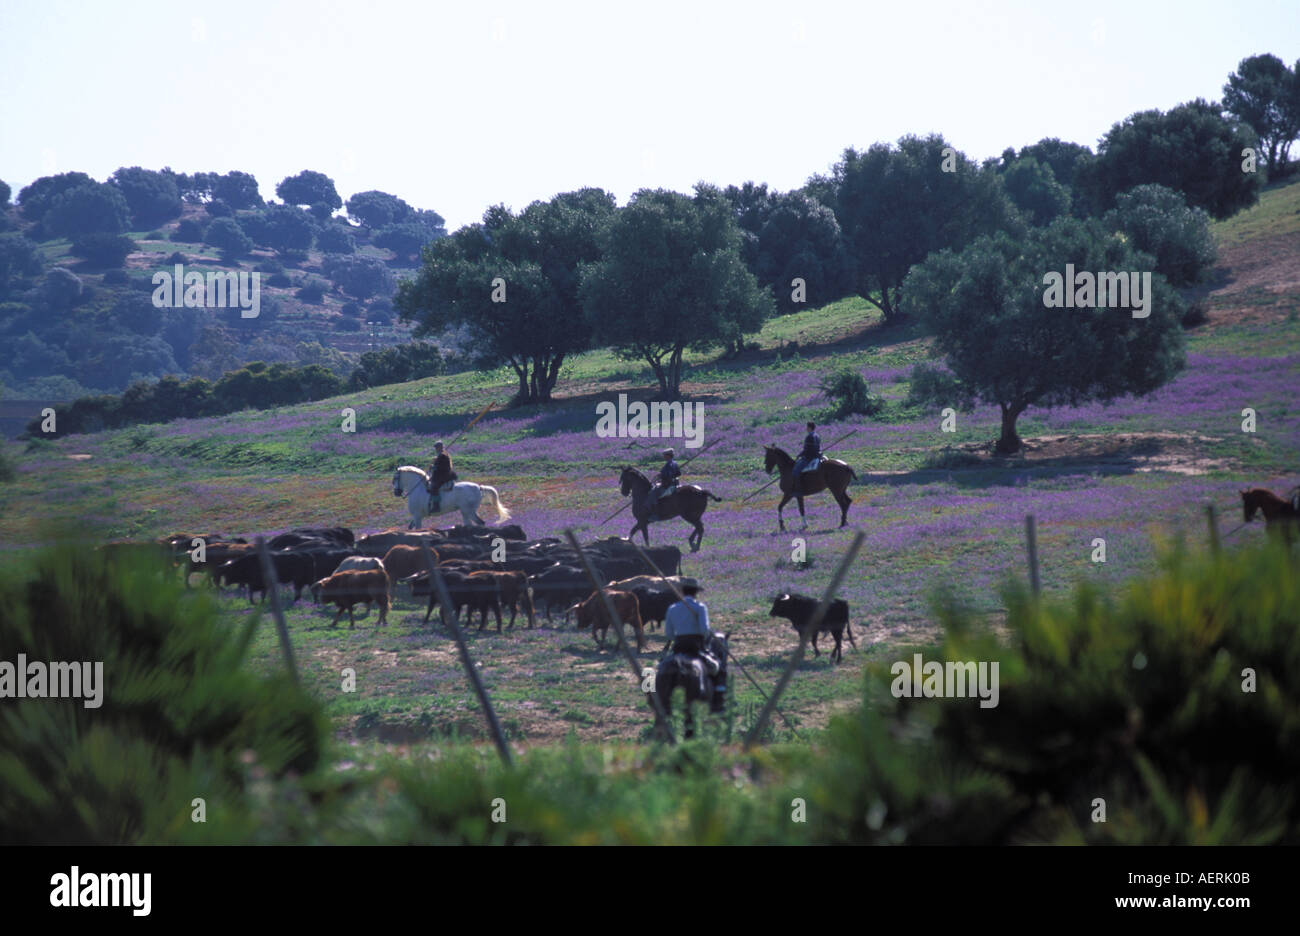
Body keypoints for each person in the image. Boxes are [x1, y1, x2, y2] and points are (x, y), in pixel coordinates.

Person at [661, 579, 726, 712]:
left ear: (682, 592)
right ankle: (718, 697)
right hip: (696, 646)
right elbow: (704, 630)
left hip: (678, 646)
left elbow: (669, 634)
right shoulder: (700, 607)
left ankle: (653, 695)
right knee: (716, 667)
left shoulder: (672, 608)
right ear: (696, 592)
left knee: (658, 667)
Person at [646, 448, 681, 522]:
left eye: (665, 455)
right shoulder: (674, 463)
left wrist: (661, 479)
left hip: (667, 485)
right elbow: (678, 473)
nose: (664, 457)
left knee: (652, 493)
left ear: (668, 456)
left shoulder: (669, 464)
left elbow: (668, 476)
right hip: (674, 483)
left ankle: (655, 514)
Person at [791, 421, 822, 496]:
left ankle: (799, 490)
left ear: (810, 428)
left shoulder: (809, 437)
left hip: (809, 457)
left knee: (795, 470)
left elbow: (807, 450)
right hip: (817, 456)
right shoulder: (817, 436)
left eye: (807, 427)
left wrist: (800, 455)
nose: (806, 428)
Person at [426, 441, 457, 511]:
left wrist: (434, 467)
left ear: (440, 448)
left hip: (444, 475)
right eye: (435, 448)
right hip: (441, 475)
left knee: (434, 486)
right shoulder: (440, 455)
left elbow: (443, 467)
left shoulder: (443, 456)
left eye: (436, 448)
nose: (436, 449)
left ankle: (436, 506)